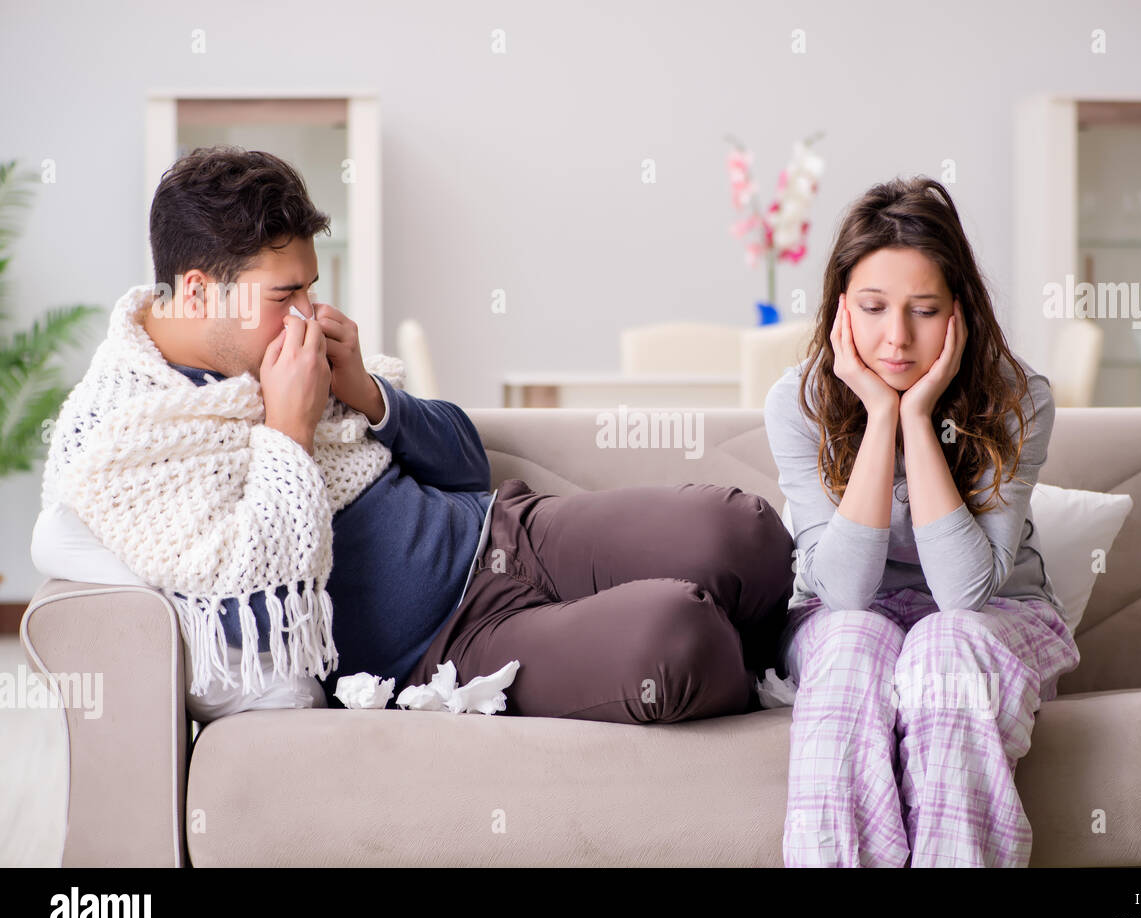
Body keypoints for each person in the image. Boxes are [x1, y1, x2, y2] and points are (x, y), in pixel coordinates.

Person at [31, 145, 794, 724]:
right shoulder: (125, 437)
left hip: (508, 528)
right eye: (284, 293)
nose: (305, 313)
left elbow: (467, 464)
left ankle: (797, 647)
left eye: (312, 287)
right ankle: (777, 661)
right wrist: (289, 433)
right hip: (453, 650)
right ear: (198, 291)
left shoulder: (295, 351)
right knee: (677, 637)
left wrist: (367, 393)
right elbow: (250, 604)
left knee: (745, 531)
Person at [762, 175, 1081, 867]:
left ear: (959, 311)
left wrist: (916, 417)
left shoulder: (1017, 395)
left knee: (945, 646)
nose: (897, 338)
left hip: (992, 615)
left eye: (925, 309)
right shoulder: (799, 401)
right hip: (847, 618)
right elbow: (842, 591)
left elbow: (966, 595)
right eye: (873, 308)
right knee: (851, 641)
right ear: (841, 309)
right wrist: (880, 417)